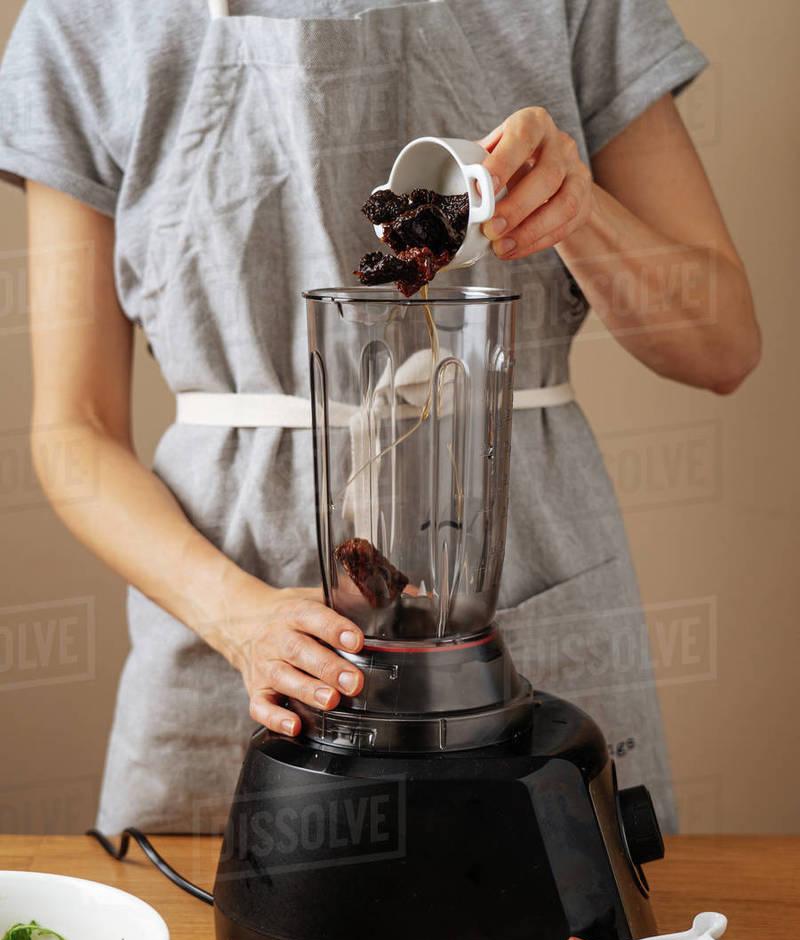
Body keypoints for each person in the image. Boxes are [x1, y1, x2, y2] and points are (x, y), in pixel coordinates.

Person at [0, 0, 759, 835]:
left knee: (560, 924)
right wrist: (240, 618)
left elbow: (722, 345)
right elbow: (74, 430)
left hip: (530, 586)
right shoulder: (84, 21)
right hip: (226, 611)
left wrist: (581, 213)